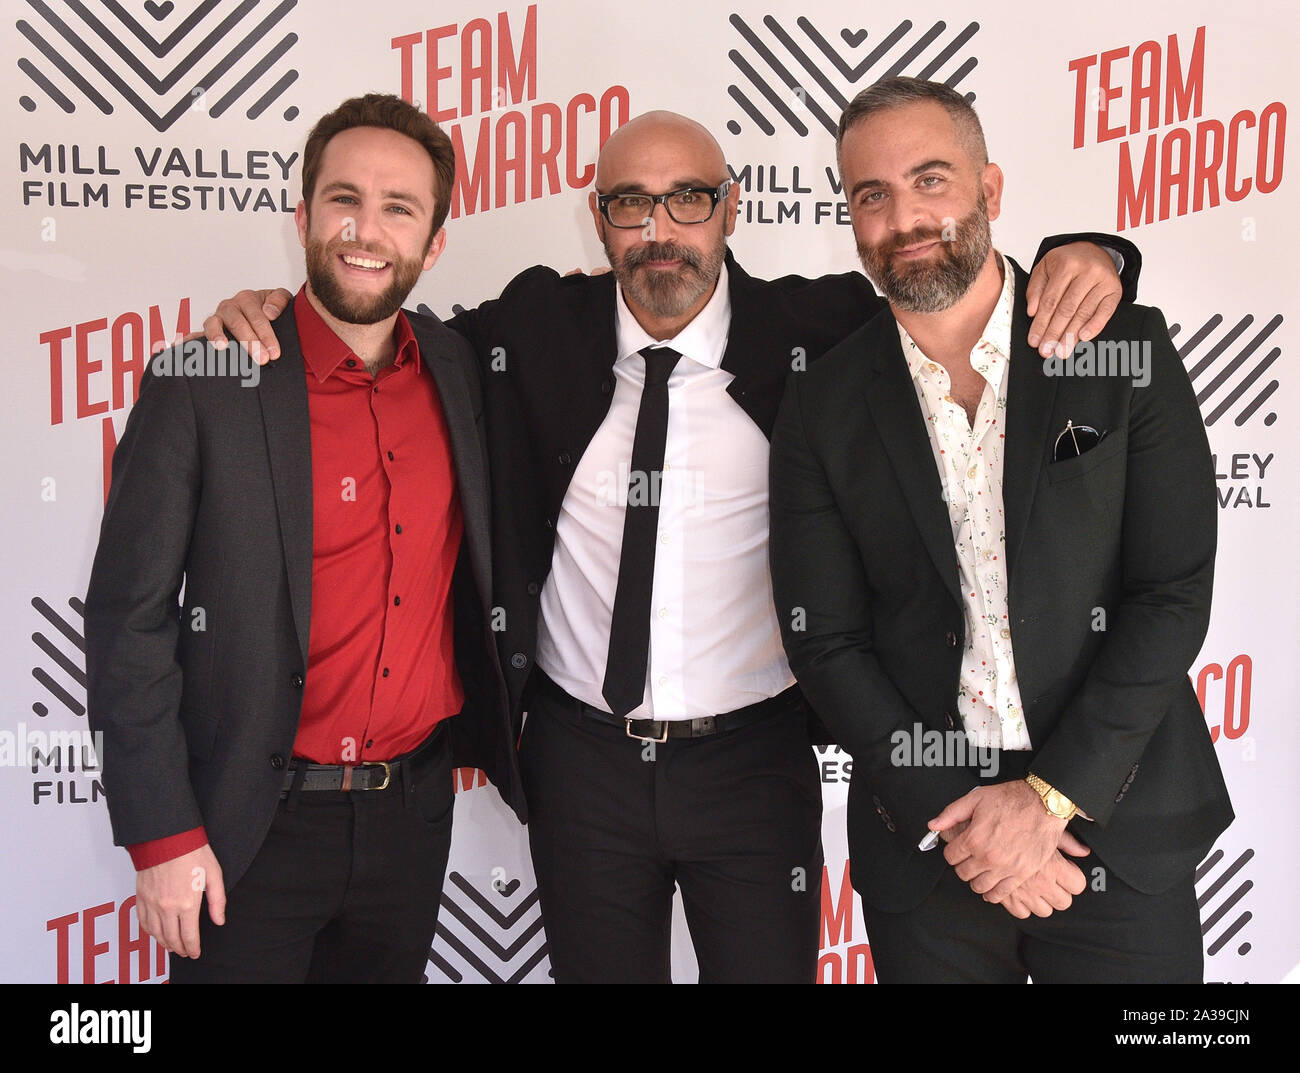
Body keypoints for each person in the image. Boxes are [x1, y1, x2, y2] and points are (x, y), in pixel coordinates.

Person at [196, 109, 1138, 983]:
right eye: (630, 205)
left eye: (688, 198)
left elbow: (951, 277)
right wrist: (277, 310)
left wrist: (1093, 253)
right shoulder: (534, 328)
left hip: (755, 761)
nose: (660, 230)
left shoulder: (823, 329)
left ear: (729, 207)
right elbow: (381, 331)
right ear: (597, 220)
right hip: (579, 762)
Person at [768, 77, 1233, 983]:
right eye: (872, 195)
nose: (904, 217)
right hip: (934, 841)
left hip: (1122, 818)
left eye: (931, 180)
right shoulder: (820, 402)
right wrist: (967, 817)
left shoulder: (1120, 347)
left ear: (990, 190)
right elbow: (826, 642)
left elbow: (1171, 592)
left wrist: (1051, 799)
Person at [84, 94, 521, 984]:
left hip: (410, 817)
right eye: (344, 199)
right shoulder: (205, 378)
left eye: (400, 207)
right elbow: (128, 619)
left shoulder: (460, 368)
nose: (367, 228)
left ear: (433, 242)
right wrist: (162, 834)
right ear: (303, 214)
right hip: (249, 822)